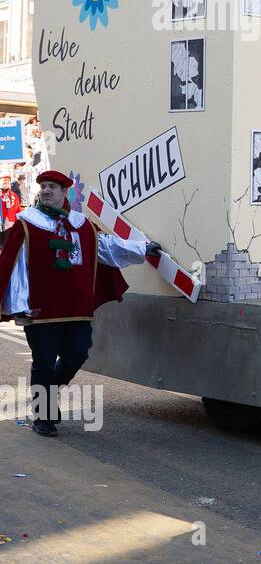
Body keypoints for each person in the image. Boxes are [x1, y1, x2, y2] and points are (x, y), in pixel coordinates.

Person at [0, 171, 159, 436]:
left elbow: (106, 248)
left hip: (76, 308)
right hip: (41, 310)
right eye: (43, 187)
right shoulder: (27, 223)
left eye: (52, 187)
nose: (46, 191)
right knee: (43, 361)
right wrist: (20, 304)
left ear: (65, 192)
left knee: (77, 353)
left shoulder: (81, 224)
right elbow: (15, 266)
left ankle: (50, 392)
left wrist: (141, 249)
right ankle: (44, 417)